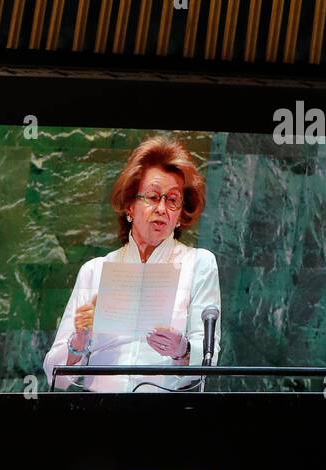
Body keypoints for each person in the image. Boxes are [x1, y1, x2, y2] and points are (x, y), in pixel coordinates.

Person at [43, 136, 220, 393]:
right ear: (129, 206)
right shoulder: (95, 270)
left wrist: (182, 350)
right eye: (152, 197)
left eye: (172, 200)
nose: (162, 209)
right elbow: (54, 376)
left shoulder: (199, 264)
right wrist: (79, 341)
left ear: (181, 216)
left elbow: (209, 360)